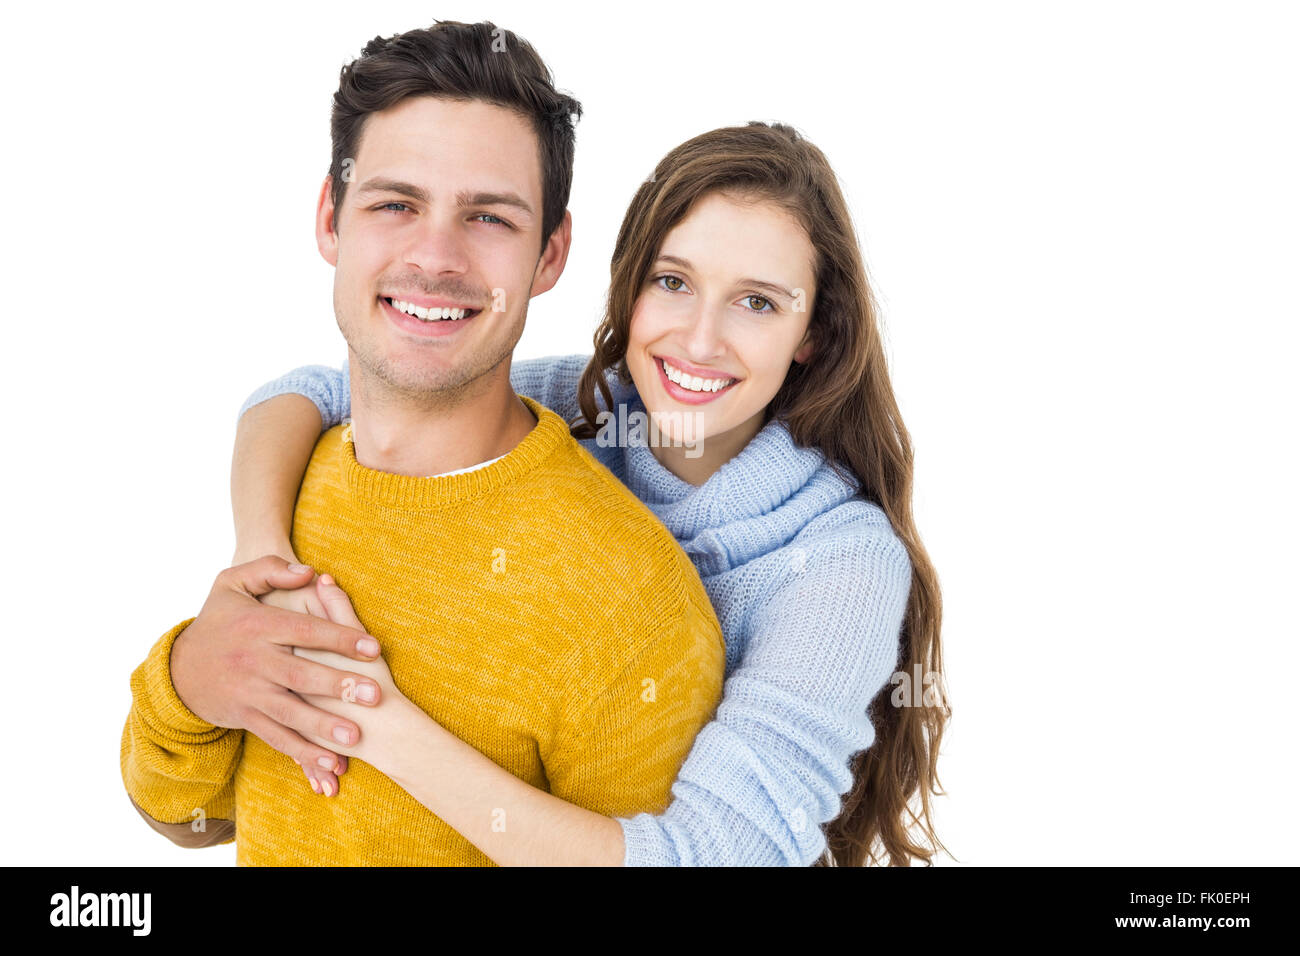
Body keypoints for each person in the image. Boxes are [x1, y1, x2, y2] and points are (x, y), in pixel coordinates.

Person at [235, 118, 951, 866]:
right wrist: (261, 557)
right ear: (629, 288)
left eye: (758, 303)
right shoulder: (580, 408)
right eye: (673, 283)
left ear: (814, 332)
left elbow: (720, 856)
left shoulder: (842, 560)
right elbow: (313, 394)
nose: (701, 341)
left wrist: (377, 721)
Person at [119, 20, 726, 866]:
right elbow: (189, 816)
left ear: (550, 255)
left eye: (488, 217)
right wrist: (188, 679)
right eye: (396, 204)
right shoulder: (293, 482)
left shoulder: (631, 604)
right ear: (332, 220)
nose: (434, 257)